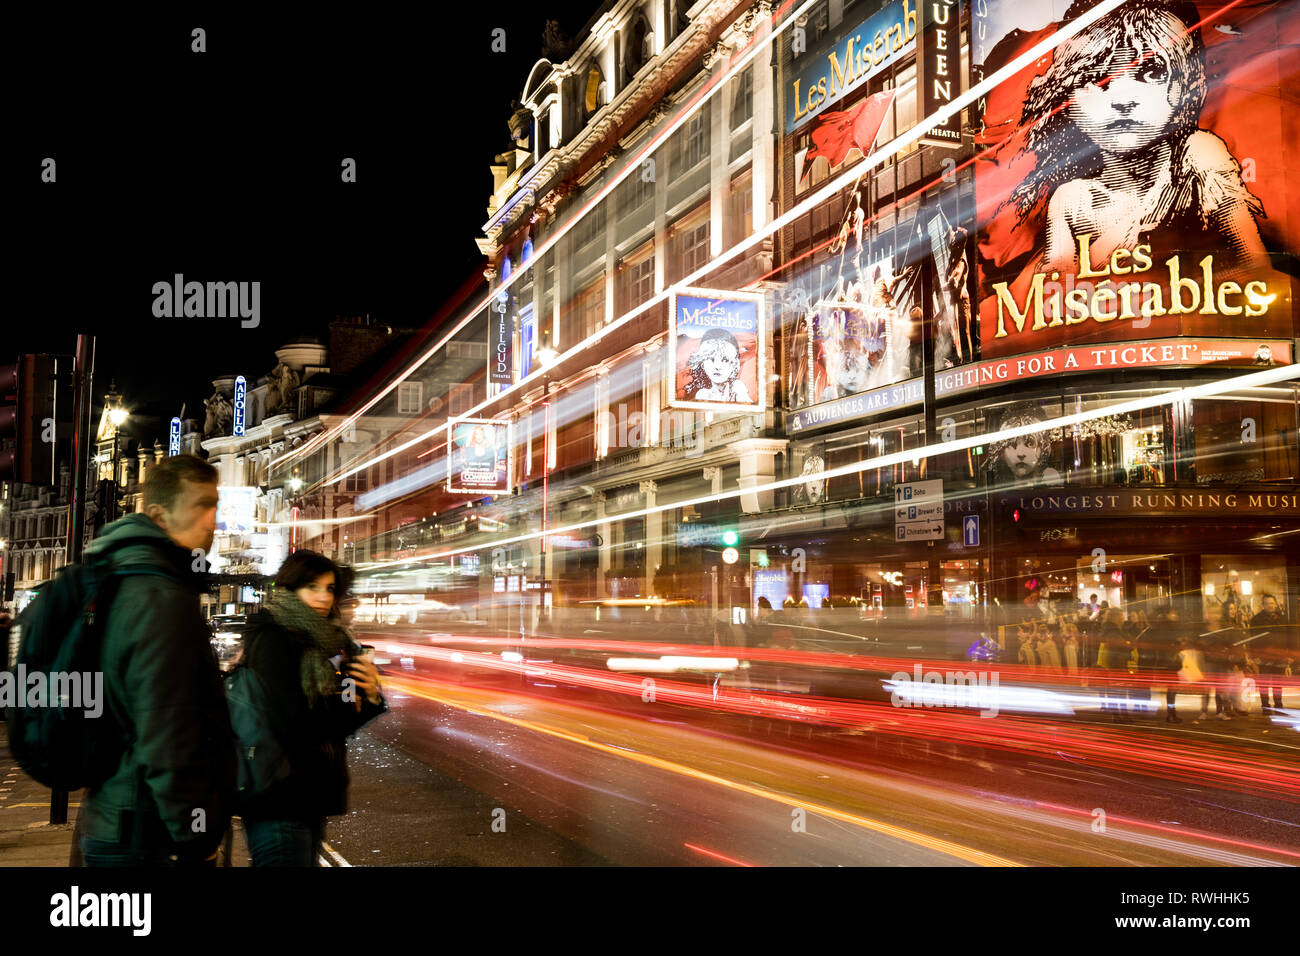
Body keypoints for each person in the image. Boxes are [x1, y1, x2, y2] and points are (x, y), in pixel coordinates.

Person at [1011, 0, 1268, 280]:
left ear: (1187, 85)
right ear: (1068, 100)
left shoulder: (1198, 155)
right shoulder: (1072, 201)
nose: (1123, 99)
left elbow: (1255, 268)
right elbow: (1054, 294)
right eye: (1097, 79)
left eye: (1151, 72)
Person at [80, 455, 236, 866]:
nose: (212, 521)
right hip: (146, 833)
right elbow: (167, 732)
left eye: (215, 506)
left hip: (118, 819)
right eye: (201, 506)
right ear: (158, 515)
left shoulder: (127, 579)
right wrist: (197, 839)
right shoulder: (159, 597)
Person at [237, 550, 386, 866]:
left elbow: (341, 718)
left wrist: (370, 693)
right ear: (290, 589)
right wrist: (346, 705)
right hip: (277, 794)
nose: (323, 597)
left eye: (330, 588)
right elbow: (295, 724)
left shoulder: (331, 643)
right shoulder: (272, 637)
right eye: (312, 587)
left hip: (309, 795)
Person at [1248, 594, 1290, 714]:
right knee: (1264, 683)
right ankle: (1265, 706)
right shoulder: (1256, 620)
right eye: (1267, 603)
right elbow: (1253, 639)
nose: (1270, 605)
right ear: (1263, 605)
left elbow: (1288, 636)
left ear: (1275, 604)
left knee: (1278, 683)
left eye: (1271, 603)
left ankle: (1278, 705)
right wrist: (1254, 656)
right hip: (1263, 656)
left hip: (1279, 655)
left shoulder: (1282, 619)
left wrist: (1289, 655)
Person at [686, 328, 751, 404]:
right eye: (711, 359)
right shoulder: (703, 394)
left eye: (725, 360)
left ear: (734, 365)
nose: (717, 366)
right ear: (702, 363)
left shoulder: (738, 388)